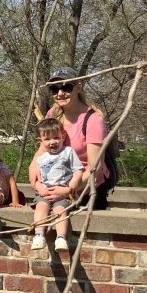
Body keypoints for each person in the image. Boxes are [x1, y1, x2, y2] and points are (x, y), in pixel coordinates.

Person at [30, 67, 109, 210]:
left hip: (85, 190)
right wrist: (34, 173)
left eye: (66, 87)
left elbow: (95, 168)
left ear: (78, 88)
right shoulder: (53, 113)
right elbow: (42, 151)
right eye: (54, 89)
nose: (60, 93)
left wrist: (68, 189)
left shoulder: (93, 120)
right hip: (53, 186)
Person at [31, 118, 84, 252]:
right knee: (41, 206)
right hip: (45, 192)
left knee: (60, 210)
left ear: (63, 136)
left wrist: (70, 188)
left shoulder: (68, 152)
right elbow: (37, 179)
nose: (52, 142)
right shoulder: (40, 158)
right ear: (41, 141)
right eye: (47, 139)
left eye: (56, 137)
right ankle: (39, 235)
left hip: (63, 194)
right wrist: (40, 189)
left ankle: (61, 238)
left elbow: (78, 170)